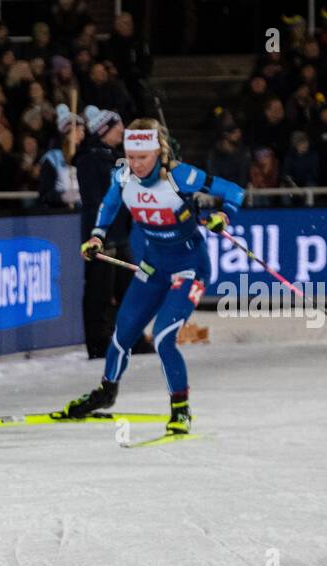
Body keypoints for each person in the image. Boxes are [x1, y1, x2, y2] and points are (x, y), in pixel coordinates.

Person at [63, 119, 245, 434]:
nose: (136, 164)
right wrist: (96, 236)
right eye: (131, 157)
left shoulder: (180, 176)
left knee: (162, 337)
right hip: (154, 267)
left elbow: (234, 190)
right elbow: (109, 203)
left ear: (158, 152)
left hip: (189, 267)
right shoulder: (123, 175)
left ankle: (180, 409)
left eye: (142, 157)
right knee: (122, 335)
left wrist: (223, 215)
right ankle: (107, 392)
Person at [75, 106, 126, 359]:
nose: (123, 132)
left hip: (120, 232)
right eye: (118, 128)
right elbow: (94, 201)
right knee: (99, 290)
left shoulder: (117, 158)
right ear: (105, 130)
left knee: (125, 288)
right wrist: (99, 234)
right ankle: (98, 342)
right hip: (100, 235)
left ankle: (125, 337)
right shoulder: (89, 159)